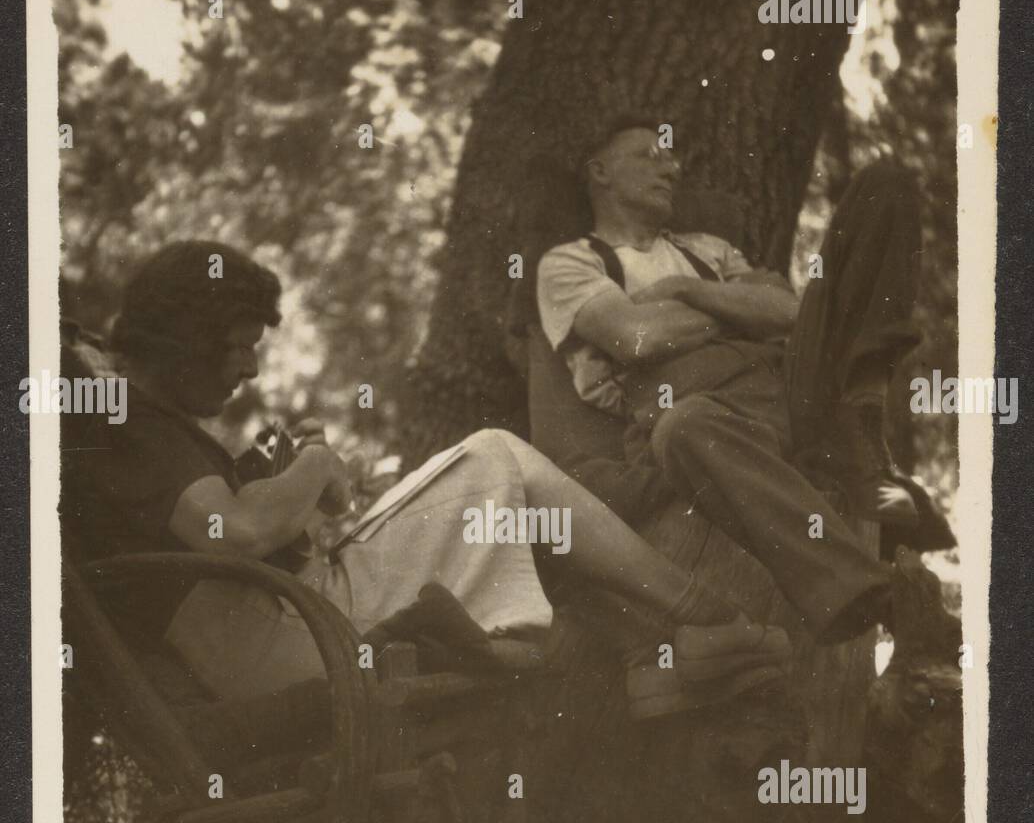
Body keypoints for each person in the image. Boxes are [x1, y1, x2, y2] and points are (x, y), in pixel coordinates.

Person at [62, 240, 797, 721]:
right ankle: (708, 622)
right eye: (238, 349)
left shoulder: (139, 424)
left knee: (507, 495)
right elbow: (238, 531)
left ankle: (667, 648)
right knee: (495, 458)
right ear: (187, 342)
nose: (250, 370)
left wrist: (275, 479)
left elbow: (230, 526)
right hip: (292, 639)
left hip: (291, 618)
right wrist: (315, 468)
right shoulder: (125, 421)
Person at [535, 116, 936, 644]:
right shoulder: (569, 264)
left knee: (883, 186)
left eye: (671, 158)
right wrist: (739, 309)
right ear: (600, 172)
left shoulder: (706, 249)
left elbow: (790, 312)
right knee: (681, 428)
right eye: (648, 156)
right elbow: (637, 340)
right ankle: (869, 596)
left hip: (795, 386)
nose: (670, 168)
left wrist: (685, 290)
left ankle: (860, 407)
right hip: (708, 415)